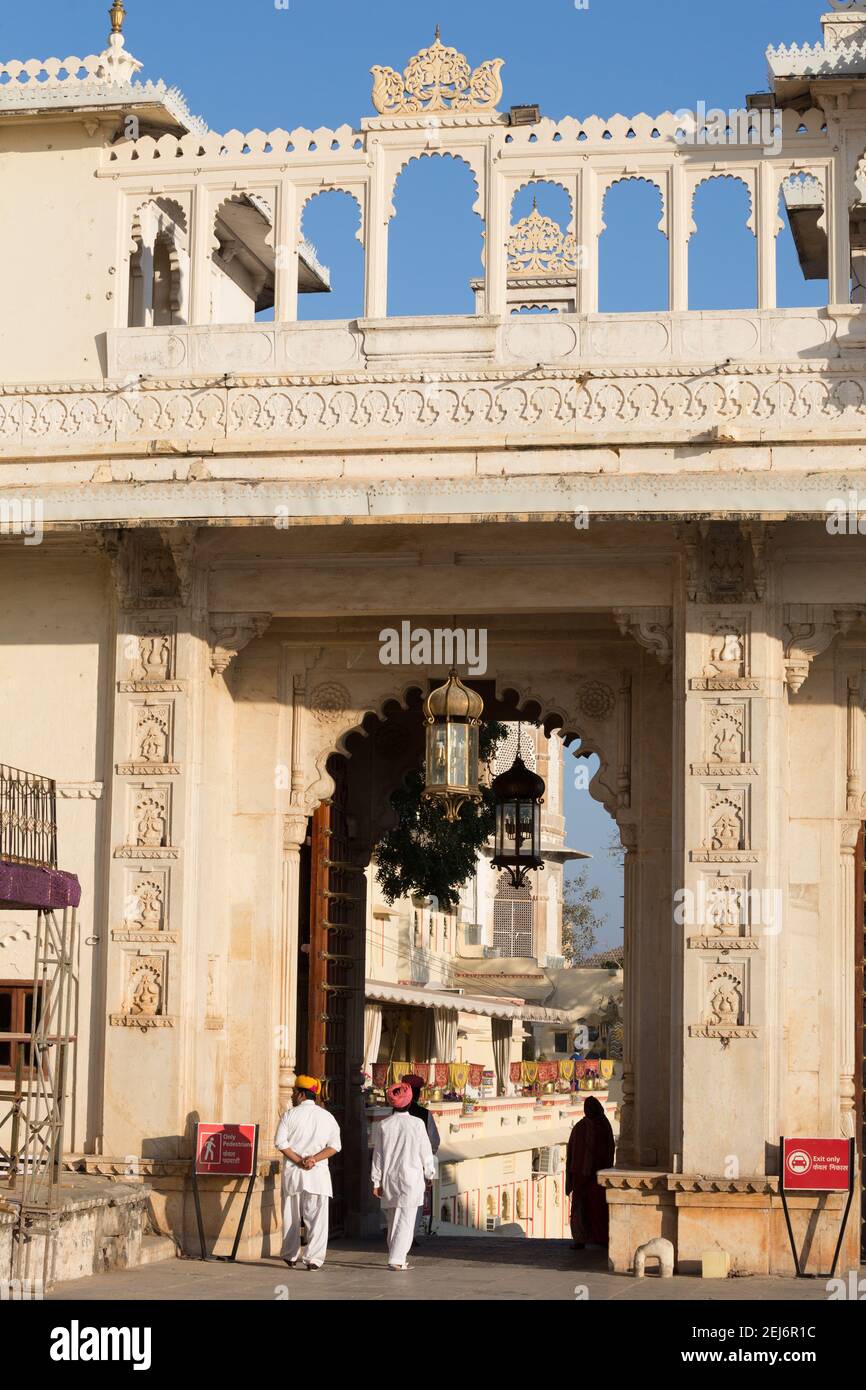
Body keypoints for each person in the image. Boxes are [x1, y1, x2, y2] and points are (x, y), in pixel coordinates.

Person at [274, 1074, 341, 1271]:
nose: (293, 1095)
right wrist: (313, 1160)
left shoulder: (289, 1115)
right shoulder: (327, 1117)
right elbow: (335, 1146)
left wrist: (299, 1160)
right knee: (317, 1219)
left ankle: (290, 1254)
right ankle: (314, 1259)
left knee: (291, 1216)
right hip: (317, 1175)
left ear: (302, 1094)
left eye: (295, 1092)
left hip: (294, 1174)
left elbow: (280, 1143)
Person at [371, 1081, 435, 1271]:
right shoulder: (417, 1124)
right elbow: (426, 1151)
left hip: (390, 1178)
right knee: (405, 1219)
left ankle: (395, 1254)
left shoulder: (384, 1125)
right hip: (411, 1178)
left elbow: (378, 1155)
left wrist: (376, 1180)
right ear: (409, 1102)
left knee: (394, 1218)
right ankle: (397, 1258)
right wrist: (429, 1173)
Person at [565, 1095, 615, 1249]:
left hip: (593, 1176)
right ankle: (585, 1238)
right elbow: (573, 1152)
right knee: (585, 1207)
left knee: (595, 1208)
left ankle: (595, 1239)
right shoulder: (591, 1126)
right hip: (586, 1176)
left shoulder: (593, 1126)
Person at [402, 1072, 440, 1240]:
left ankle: (398, 1235)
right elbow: (434, 1142)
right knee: (416, 1201)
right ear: (418, 1094)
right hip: (417, 1165)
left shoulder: (392, 1115)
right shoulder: (424, 1115)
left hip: (396, 1165)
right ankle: (411, 1235)